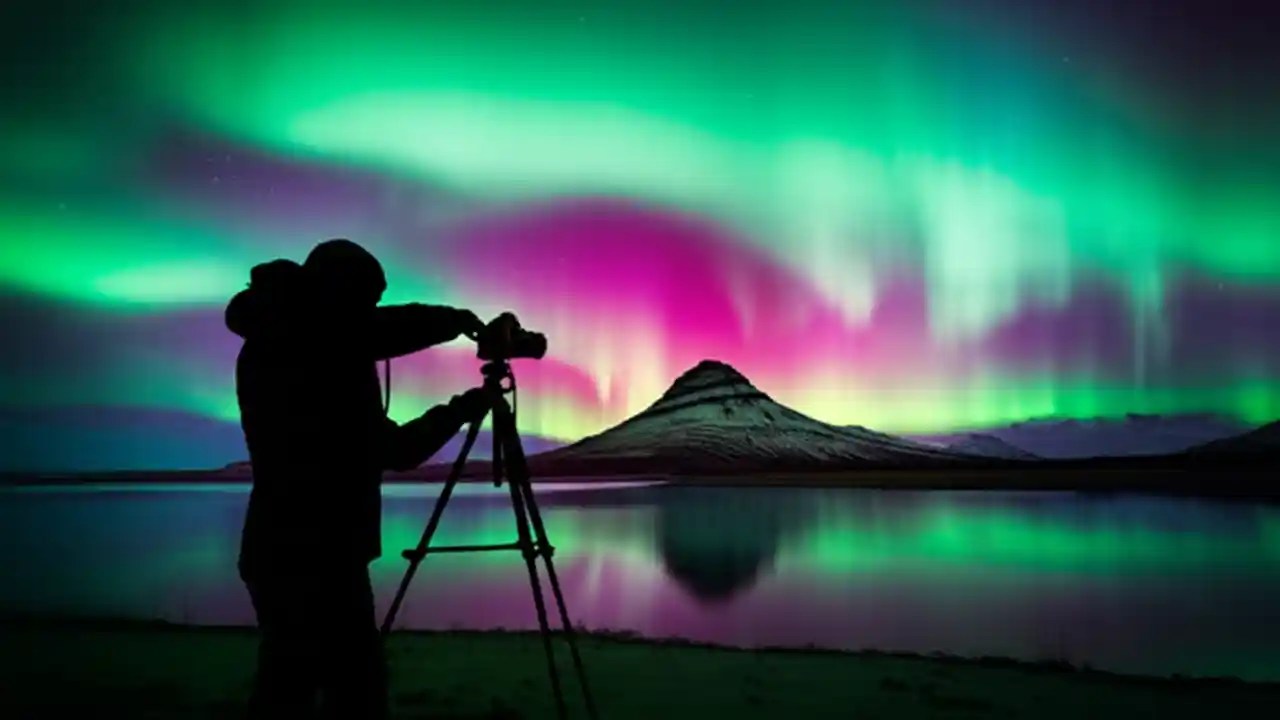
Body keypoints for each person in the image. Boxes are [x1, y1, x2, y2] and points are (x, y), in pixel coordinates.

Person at [225, 239, 490, 718]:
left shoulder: (287, 336)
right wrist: (455, 328)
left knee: (293, 685)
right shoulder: (303, 338)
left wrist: (459, 404)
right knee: (337, 689)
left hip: (295, 546)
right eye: (365, 297)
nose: (371, 310)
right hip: (313, 551)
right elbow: (393, 446)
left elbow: (388, 442)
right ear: (336, 291)